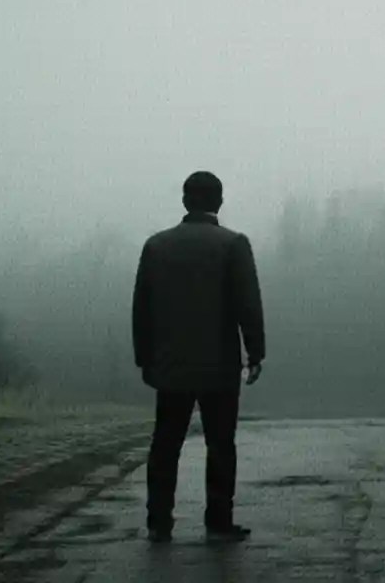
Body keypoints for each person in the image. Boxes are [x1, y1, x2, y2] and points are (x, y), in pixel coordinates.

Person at [132, 171, 266, 543]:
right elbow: (247, 303)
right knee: (220, 443)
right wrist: (255, 352)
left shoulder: (156, 246)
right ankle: (219, 521)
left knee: (165, 443)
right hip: (219, 364)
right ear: (219, 201)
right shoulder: (233, 244)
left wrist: (144, 357)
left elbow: (142, 307)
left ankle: (159, 521)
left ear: (184, 201)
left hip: (170, 362)